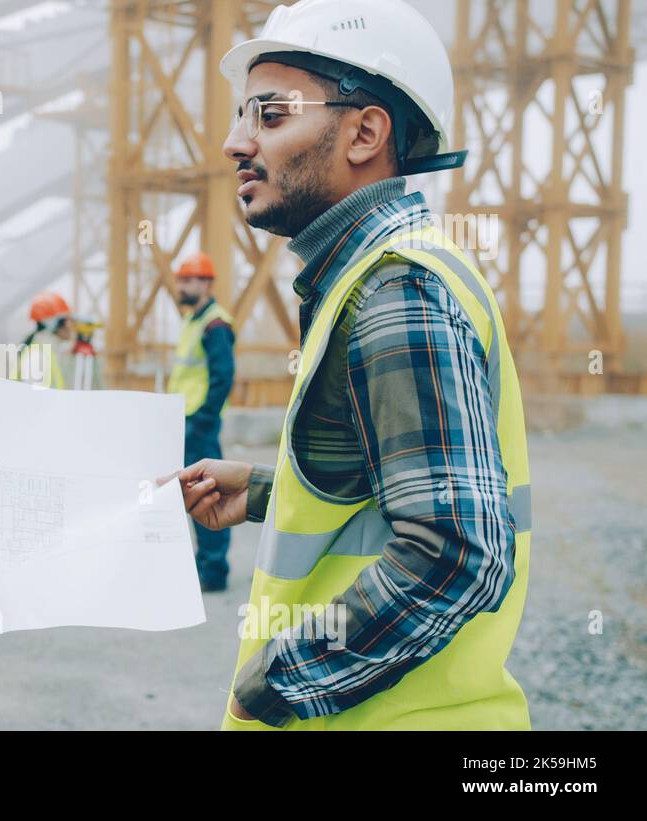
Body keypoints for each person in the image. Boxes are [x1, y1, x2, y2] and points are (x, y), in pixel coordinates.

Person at [173, 0, 531, 729]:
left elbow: (457, 553)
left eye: (269, 116)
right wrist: (272, 490)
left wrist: (274, 682)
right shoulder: (368, 275)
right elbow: (405, 487)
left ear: (365, 131)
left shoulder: (395, 286)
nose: (235, 141)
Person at [167, 252, 236, 591]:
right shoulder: (193, 320)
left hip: (199, 423)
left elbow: (223, 376)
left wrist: (205, 419)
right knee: (192, 494)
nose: (183, 285)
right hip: (185, 420)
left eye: (190, 279)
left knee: (208, 494)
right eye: (181, 279)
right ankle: (204, 561)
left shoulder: (215, 324)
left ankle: (214, 568)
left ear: (207, 284)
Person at [17, 291, 74, 389]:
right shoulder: (38, 354)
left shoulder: (49, 349)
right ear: (53, 324)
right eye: (66, 320)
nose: (71, 325)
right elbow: (32, 397)